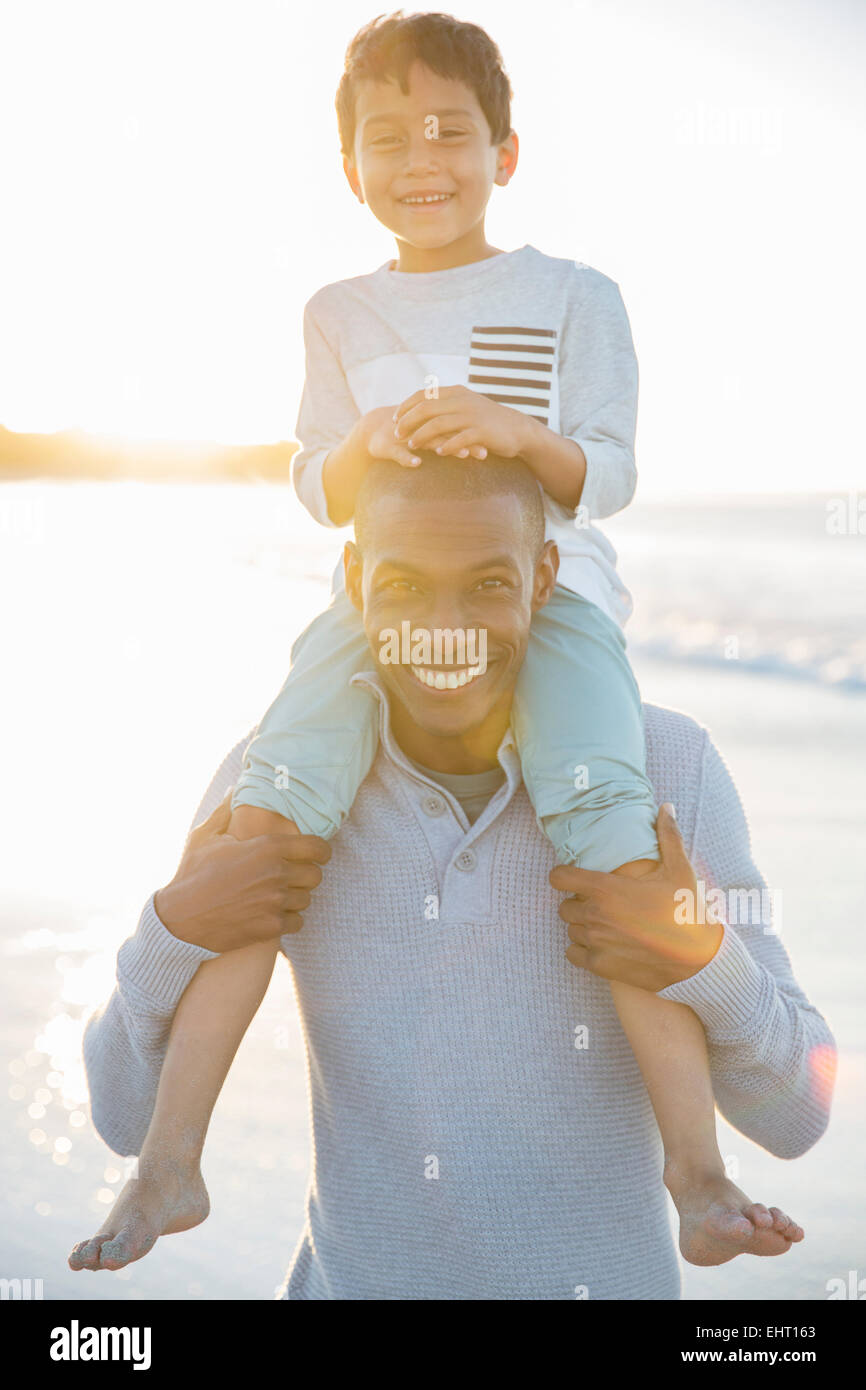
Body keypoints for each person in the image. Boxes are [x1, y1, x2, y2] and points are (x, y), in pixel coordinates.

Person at [71, 454, 835, 1299]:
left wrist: (703, 960)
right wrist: (171, 929)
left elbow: (797, 1116)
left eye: (485, 585)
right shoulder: (274, 784)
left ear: (544, 578)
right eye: (402, 586)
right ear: (355, 578)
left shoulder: (669, 768)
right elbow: (119, 1115)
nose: (444, 629)